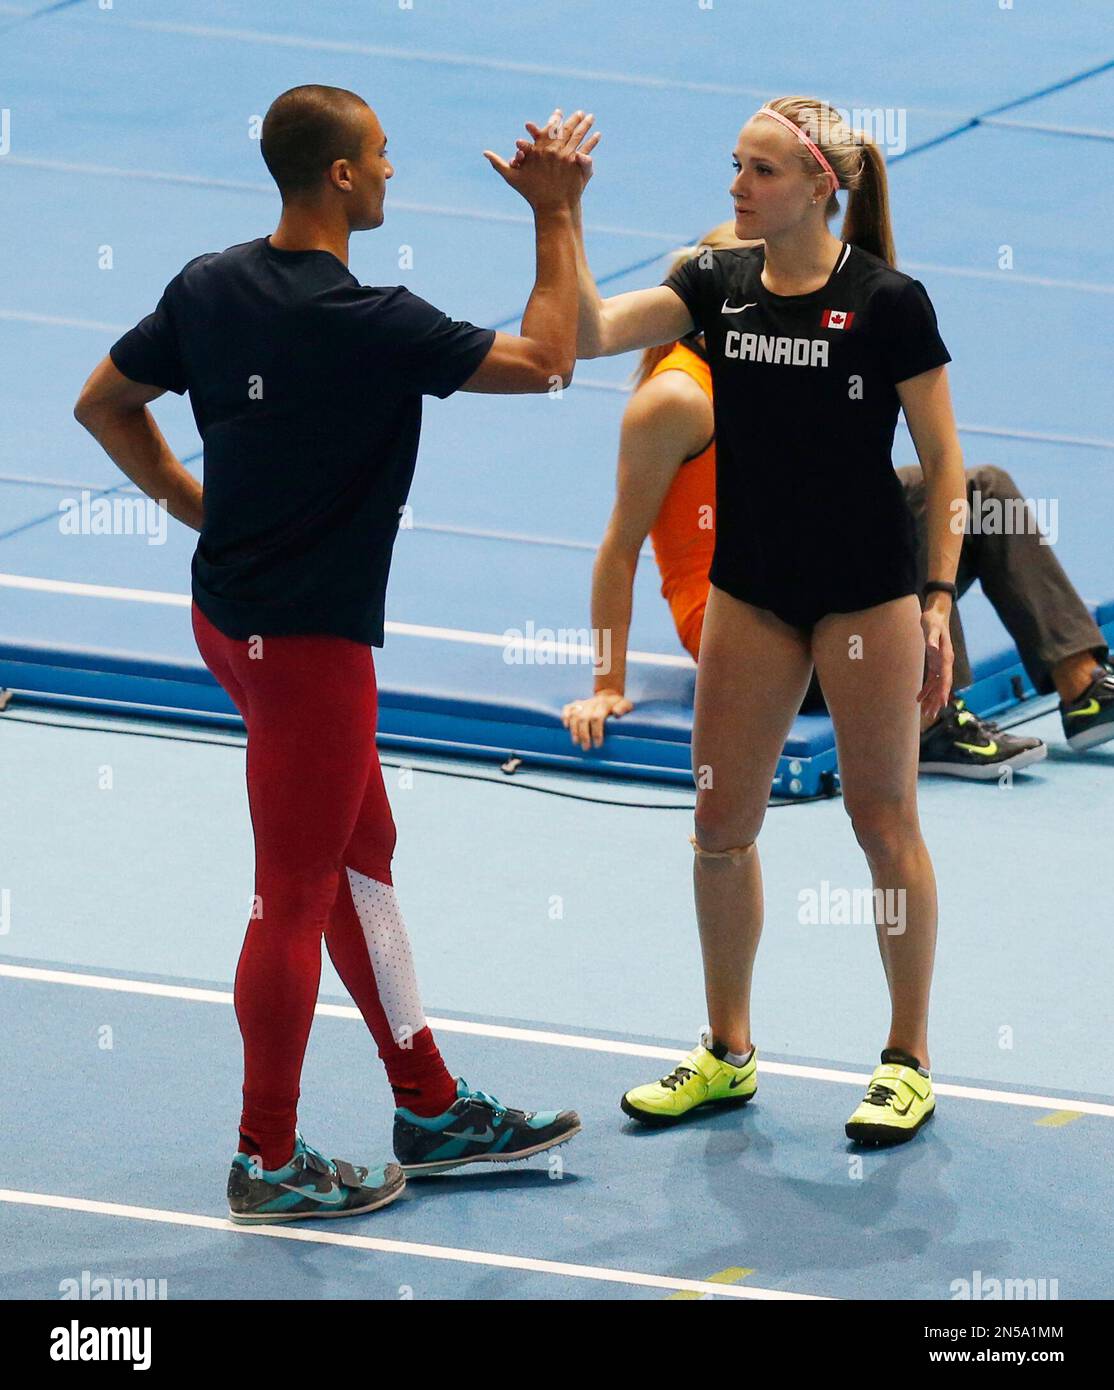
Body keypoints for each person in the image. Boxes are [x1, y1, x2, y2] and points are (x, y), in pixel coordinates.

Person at [74, 87, 595, 1221]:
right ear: (344, 178)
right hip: (308, 648)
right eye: (384, 156)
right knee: (294, 893)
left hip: (227, 621)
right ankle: (266, 1158)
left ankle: (430, 1104)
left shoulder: (210, 283)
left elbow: (104, 401)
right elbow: (552, 359)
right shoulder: (372, 320)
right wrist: (556, 213)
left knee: (362, 853)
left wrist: (182, 498)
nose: (394, 171)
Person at [559, 94, 964, 1145]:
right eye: (734, 166)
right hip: (749, 595)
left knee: (881, 824)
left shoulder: (887, 302)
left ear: (818, 189)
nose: (736, 187)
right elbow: (584, 333)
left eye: (760, 172)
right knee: (716, 828)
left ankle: (906, 1059)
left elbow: (948, 462)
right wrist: (558, 216)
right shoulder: (712, 285)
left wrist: (936, 598)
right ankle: (726, 1052)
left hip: (866, 595)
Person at [563, 225, 1114, 775]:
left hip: (800, 569)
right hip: (739, 617)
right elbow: (619, 547)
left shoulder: (764, 359)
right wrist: (607, 684)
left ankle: (1083, 686)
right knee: (888, 522)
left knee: (981, 490)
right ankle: (928, 718)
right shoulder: (676, 399)